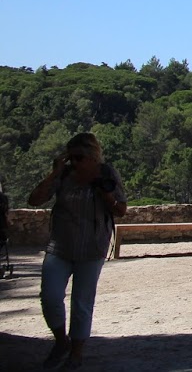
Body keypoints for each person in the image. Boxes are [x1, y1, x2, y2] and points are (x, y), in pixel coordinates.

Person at [27, 132, 127, 370]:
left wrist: (106, 194)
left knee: (82, 302)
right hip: (60, 245)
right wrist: (54, 172)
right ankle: (61, 341)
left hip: (92, 246)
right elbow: (34, 200)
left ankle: (76, 353)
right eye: (71, 157)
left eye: (80, 157)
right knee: (50, 297)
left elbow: (121, 209)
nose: (76, 162)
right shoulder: (63, 176)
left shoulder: (106, 174)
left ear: (93, 156)